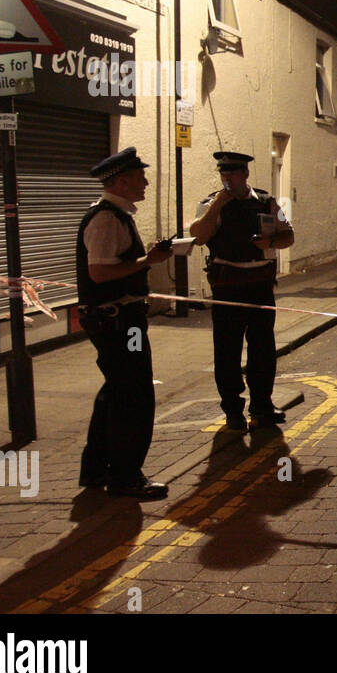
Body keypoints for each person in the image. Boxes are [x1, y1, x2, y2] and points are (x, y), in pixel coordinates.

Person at [76, 147, 170, 500]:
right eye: (140, 176)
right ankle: (125, 477)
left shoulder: (116, 215)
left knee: (115, 392)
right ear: (121, 180)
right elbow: (99, 273)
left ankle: (96, 469)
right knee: (134, 395)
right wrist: (149, 260)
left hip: (120, 320)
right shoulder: (106, 219)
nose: (146, 182)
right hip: (119, 323)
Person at [189, 151, 294, 432]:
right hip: (228, 288)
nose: (226, 179)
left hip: (259, 286)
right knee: (227, 352)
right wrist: (218, 205)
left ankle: (262, 404)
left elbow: (289, 234)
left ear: (245, 174)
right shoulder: (210, 204)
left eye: (232, 174)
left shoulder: (268, 202)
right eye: (223, 174)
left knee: (263, 350)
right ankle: (233, 410)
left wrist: (271, 240)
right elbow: (198, 236)